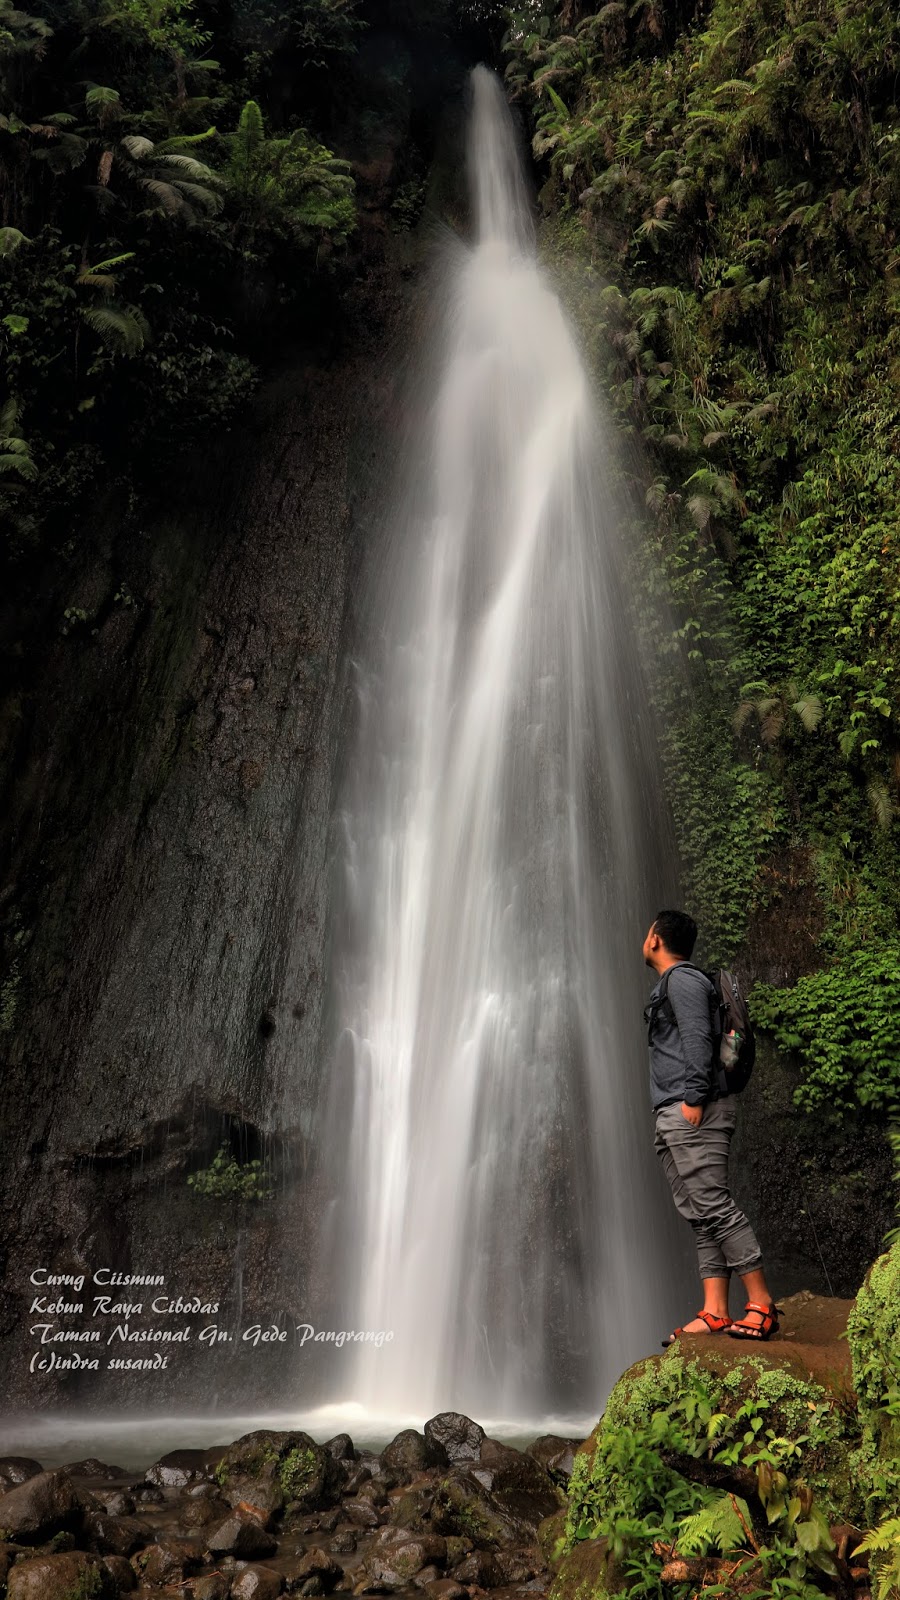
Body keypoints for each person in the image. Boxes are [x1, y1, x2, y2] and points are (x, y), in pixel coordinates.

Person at [643, 908, 780, 1344]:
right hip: (674, 1110)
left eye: (647, 932)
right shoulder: (672, 983)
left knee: (714, 1206)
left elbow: (698, 1037)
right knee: (701, 1214)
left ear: (656, 939)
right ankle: (715, 1310)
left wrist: (694, 1098)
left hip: (692, 1109)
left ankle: (762, 1304)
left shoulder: (682, 980)